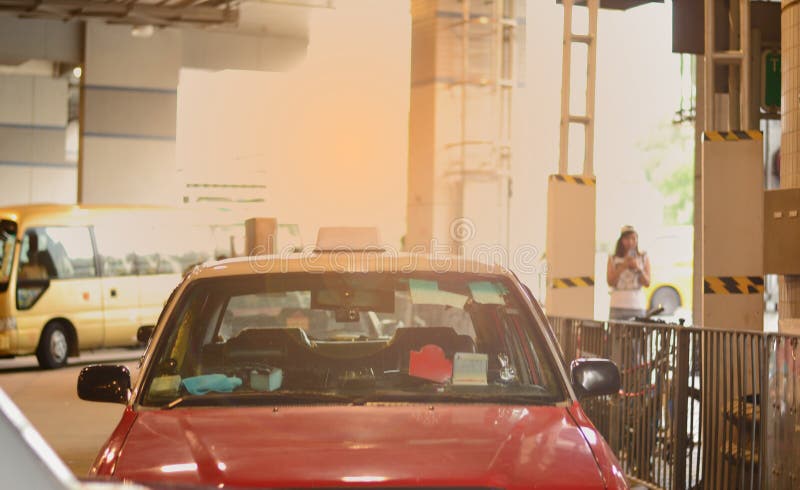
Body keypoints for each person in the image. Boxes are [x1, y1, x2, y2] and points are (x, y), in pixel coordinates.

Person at [606, 225, 651, 320]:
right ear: (621, 240)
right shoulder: (613, 258)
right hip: (617, 305)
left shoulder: (643, 257)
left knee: (637, 329)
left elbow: (647, 283)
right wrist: (623, 266)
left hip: (637, 305)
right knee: (616, 330)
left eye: (633, 238)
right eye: (627, 239)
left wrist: (638, 268)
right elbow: (610, 282)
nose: (630, 242)